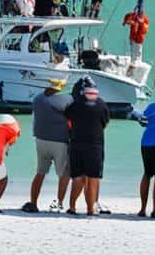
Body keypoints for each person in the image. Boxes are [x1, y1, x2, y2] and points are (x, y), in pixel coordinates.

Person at [64, 77, 111, 215]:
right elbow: (106, 123)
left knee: (78, 177)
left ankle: (72, 207)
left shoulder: (75, 105)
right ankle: (90, 209)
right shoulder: (102, 104)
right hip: (95, 145)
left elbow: (68, 121)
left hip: (76, 144)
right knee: (93, 177)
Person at [25, 78, 72, 213]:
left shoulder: (37, 99)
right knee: (64, 174)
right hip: (59, 141)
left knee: (40, 173)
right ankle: (60, 203)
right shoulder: (63, 100)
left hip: (40, 140)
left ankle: (33, 202)